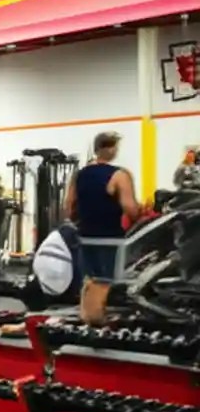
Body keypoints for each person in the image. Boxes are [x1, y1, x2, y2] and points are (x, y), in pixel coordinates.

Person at [66, 132, 141, 324]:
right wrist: (138, 219)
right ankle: (98, 323)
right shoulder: (119, 174)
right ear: (112, 149)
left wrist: (81, 223)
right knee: (106, 281)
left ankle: (86, 319)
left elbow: (69, 206)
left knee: (90, 280)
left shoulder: (79, 175)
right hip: (110, 238)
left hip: (85, 236)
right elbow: (130, 207)